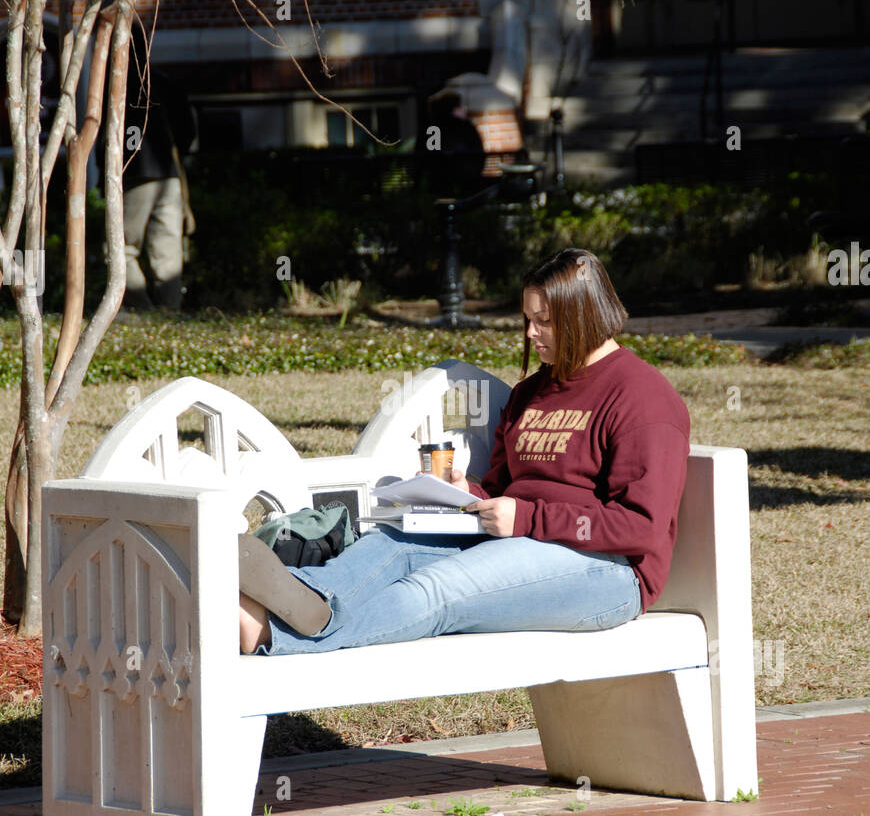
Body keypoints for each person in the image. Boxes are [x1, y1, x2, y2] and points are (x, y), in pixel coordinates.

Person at [238, 247, 692, 656]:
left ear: (584, 315)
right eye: (527, 319)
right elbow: (504, 488)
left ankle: (266, 631)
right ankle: (300, 595)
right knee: (397, 544)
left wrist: (529, 519)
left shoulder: (643, 397)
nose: (532, 333)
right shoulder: (532, 391)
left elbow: (642, 528)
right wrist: (464, 492)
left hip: (607, 573)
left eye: (545, 321)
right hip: (517, 540)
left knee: (439, 591)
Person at [119, 33, 197, 311]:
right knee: (167, 251)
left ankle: (145, 311)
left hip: (134, 175)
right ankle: (169, 313)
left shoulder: (113, 85)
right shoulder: (166, 83)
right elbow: (187, 134)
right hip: (169, 174)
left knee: (120, 251)